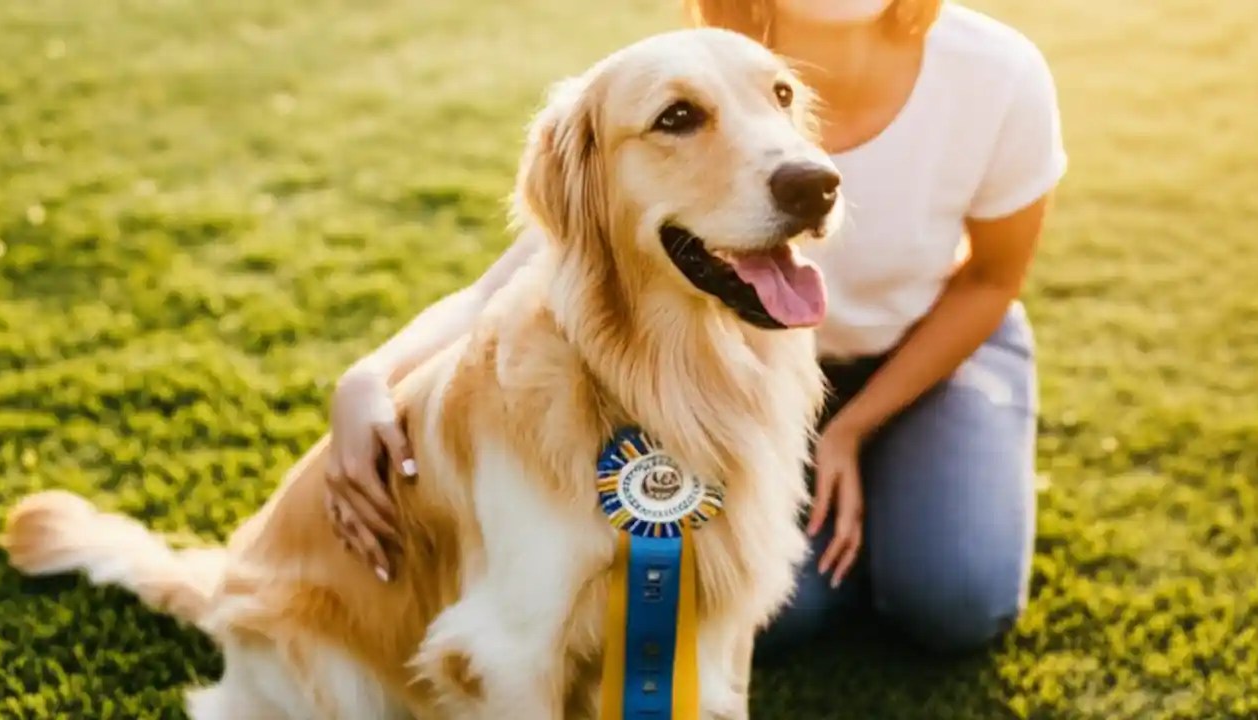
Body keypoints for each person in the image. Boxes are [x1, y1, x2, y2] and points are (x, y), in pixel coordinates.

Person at [322, 0, 1067, 658]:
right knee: (776, 614)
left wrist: (850, 432)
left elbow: (991, 281)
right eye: (685, 121)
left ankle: (899, 504)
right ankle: (866, 532)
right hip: (752, 375)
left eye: (783, 98)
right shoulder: (684, 72)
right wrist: (367, 377)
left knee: (955, 602)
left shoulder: (996, 73)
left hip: (931, 348)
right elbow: (508, 278)